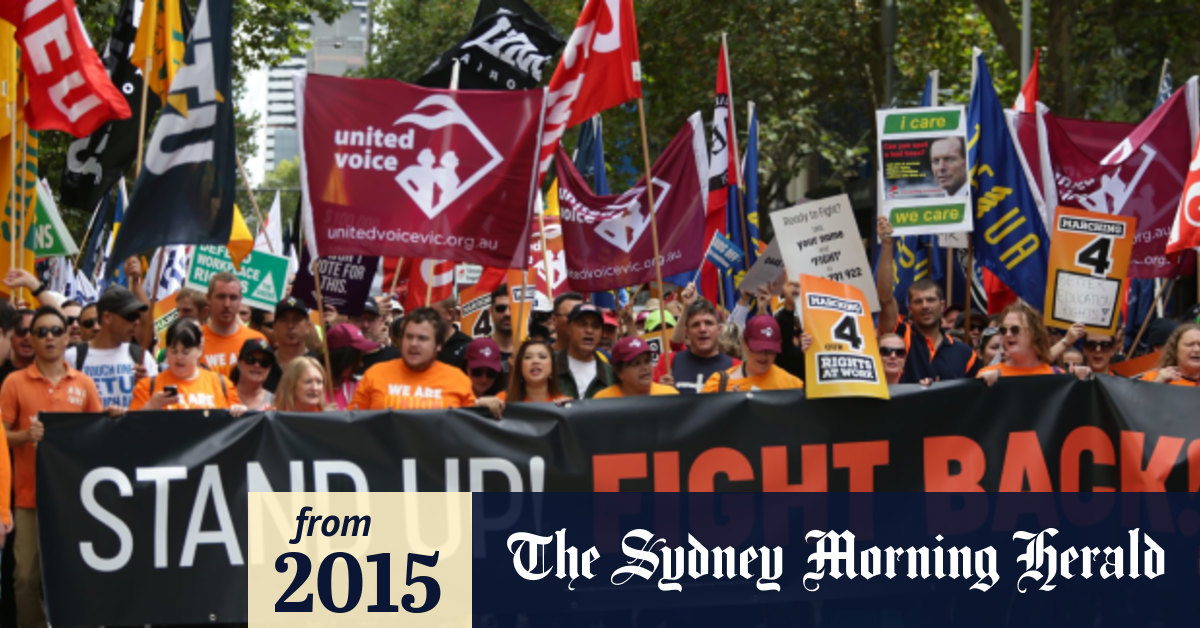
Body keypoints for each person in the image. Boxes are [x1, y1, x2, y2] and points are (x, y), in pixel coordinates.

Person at [1, 306, 103, 628]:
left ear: (65, 339)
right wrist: (24, 435)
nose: (49, 337)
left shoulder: (84, 384)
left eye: (56, 331)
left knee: (72, 574)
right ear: (30, 338)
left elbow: (96, 434)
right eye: (41, 331)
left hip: (74, 497)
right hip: (28, 498)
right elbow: (0, 437)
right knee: (26, 578)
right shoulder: (14, 383)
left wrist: (112, 419)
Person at [876, 217, 980, 383]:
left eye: (930, 300)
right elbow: (885, 298)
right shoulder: (902, 336)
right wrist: (888, 245)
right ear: (909, 308)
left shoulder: (964, 353)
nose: (925, 306)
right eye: (918, 302)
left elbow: (978, 396)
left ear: (943, 305)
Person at [351, 307, 475, 410]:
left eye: (422, 338)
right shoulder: (375, 375)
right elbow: (352, 425)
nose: (414, 344)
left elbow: (473, 430)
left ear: (439, 345)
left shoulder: (458, 380)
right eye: (409, 337)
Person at [64, 286, 157, 409]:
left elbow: (157, 409)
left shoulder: (142, 356)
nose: (136, 322)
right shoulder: (72, 357)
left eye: (138, 317)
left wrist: (146, 386)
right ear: (107, 317)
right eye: (130, 316)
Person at [131, 318, 246, 412]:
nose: (179, 357)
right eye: (174, 351)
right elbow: (132, 427)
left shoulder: (222, 385)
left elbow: (236, 427)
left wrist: (240, 411)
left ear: (199, 350)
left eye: (186, 352)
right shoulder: (147, 387)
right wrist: (151, 406)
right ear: (166, 351)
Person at [978, 302, 1089, 385]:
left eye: (1015, 329)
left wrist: (1084, 382)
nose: (1007, 334)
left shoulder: (1058, 376)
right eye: (1003, 330)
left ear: (1034, 334)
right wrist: (982, 387)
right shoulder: (988, 375)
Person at [655, 296, 739, 393]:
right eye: (696, 325)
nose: (702, 329)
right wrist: (659, 391)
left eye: (708, 323)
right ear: (687, 333)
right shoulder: (668, 362)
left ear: (719, 330)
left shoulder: (736, 368)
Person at [702, 315, 805, 392]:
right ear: (744, 344)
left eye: (770, 350)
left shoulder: (792, 386)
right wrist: (726, 405)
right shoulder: (718, 384)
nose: (764, 356)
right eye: (758, 349)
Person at [200, 272, 267, 378]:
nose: (227, 304)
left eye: (233, 298)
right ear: (208, 298)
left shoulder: (256, 340)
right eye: (221, 297)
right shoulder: (194, 339)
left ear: (240, 300)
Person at [555, 303, 614, 399]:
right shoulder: (549, 365)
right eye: (583, 324)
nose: (589, 331)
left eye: (595, 326)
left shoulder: (610, 375)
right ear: (569, 328)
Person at [595, 337, 680, 398]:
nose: (645, 368)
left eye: (647, 361)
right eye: (636, 363)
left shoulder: (669, 395)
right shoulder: (603, 401)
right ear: (618, 372)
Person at [500, 338, 571, 403]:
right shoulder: (503, 400)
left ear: (552, 367)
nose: (535, 361)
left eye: (542, 357)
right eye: (528, 357)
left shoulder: (564, 404)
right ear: (520, 367)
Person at [326, 322, 376, 409]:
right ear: (342, 358)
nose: (361, 364)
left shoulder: (359, 387)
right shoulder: (313, 388)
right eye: (357, 359)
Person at [356, 299, 400, 373]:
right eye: (359, 319)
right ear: (349, 322)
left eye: (370, 320)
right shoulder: (338, 358)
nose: (365, 325)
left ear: (380, 322)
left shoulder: (397, 358)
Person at [233, 338, 275, 411]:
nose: (257, 365)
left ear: (269, 368)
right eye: (250, 360)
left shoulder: (275, 402)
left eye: (264, 362)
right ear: (239, 362)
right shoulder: (223, 397)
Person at [432, 296, 472, 369]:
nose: (426, 318)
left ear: (450, 314)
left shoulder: (467, 346)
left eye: (433, 313)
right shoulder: (420, 344)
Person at [488, 285, 515, 362]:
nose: (507, 313)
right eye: (500, 308)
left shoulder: (529, 351)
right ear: (491, 311)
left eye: (512, 308)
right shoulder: (480, 349)